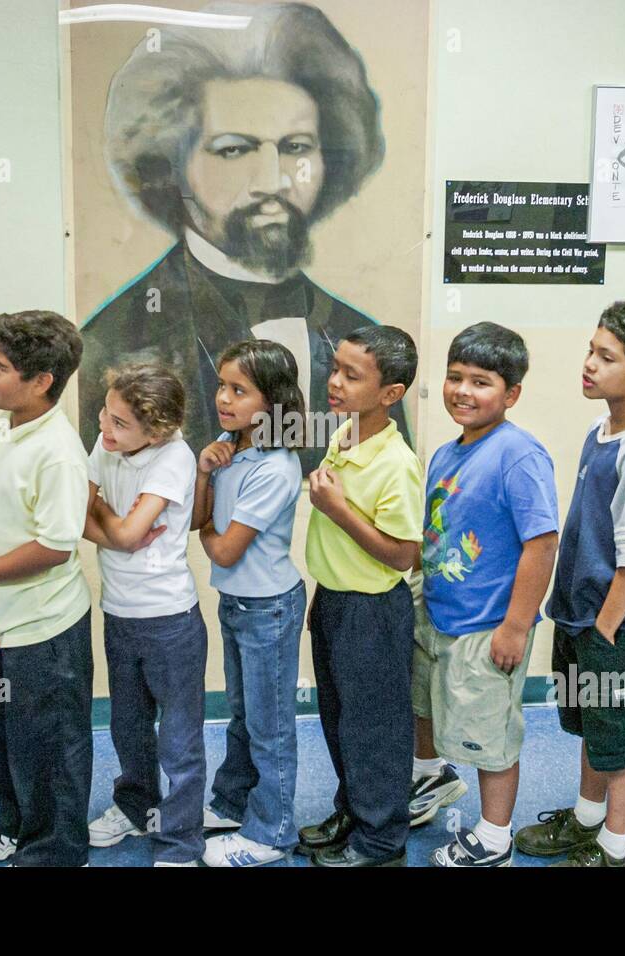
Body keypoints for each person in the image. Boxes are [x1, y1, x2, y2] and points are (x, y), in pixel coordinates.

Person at [79, 1, 407, 469]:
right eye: (234, 150)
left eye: (295, 148)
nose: (272, 180)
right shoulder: (115, 341)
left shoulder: (355, 335)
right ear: (174, 167)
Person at [517, 301, 625, 868]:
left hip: (614, 627)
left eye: (606, 357)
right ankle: (587, 821)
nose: (589, 363)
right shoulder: (602, 428)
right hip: (582, 616)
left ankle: (615, 849)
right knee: (594, 725)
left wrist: (608, 630)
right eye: (591, 349)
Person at [411, 322, 559, 867]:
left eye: (480, 381)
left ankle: (495, 836)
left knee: (487, 736)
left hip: (488, 625)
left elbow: (541, 545)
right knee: (423, 706)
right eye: (454, 377)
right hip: (439, 612)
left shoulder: (519, 454)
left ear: (511, 394)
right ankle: (428, 784)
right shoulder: (447, 454)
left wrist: (516, 626)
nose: (463, 391)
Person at [0, 311, 94, 867]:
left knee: (50, 747)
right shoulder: (5, 425)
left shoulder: (57, 451)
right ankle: (16, 825)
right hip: (5, 623)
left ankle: (56, 850)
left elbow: (56, 546)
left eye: (0, 367)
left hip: (45, 631)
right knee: (8, 736)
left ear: (42, 382)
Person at [296, 325, 423, 867]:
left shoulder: (397, 463)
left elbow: (402, 555)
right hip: (335, 601)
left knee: (376, 728)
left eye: (352, 375)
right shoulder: (346, 435)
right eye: (335, 368)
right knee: (340, 717)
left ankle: (381, 841)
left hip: (373, 611)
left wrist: (338, 510)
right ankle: (354, 809)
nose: (336, 382)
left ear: (390, 394)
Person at [83, 365, 208, 867]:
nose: (104, 427)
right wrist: (117, 529)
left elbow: (125, 531)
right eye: (105, 414)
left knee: (178, 739)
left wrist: (109, 525)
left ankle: (180, 841)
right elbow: (82, 512)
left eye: (118, 423)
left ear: (155, 431)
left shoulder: (174, 456)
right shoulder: (108, 443)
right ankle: (137, 808)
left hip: (168, 621)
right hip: (119, 613)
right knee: (127, 726)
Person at [193, 340, 307, 867]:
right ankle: (232, 802)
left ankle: (272, 832)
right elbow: (201, 520)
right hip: (238, 602)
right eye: (222, 385)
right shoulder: (228, 443)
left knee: (271, 725)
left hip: (269, 608)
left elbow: (223, 546)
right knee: (242, 714)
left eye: (239, 390)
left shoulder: (276, 466)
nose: (224, 397)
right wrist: (203, 473)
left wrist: (209, 530)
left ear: (273, 402)